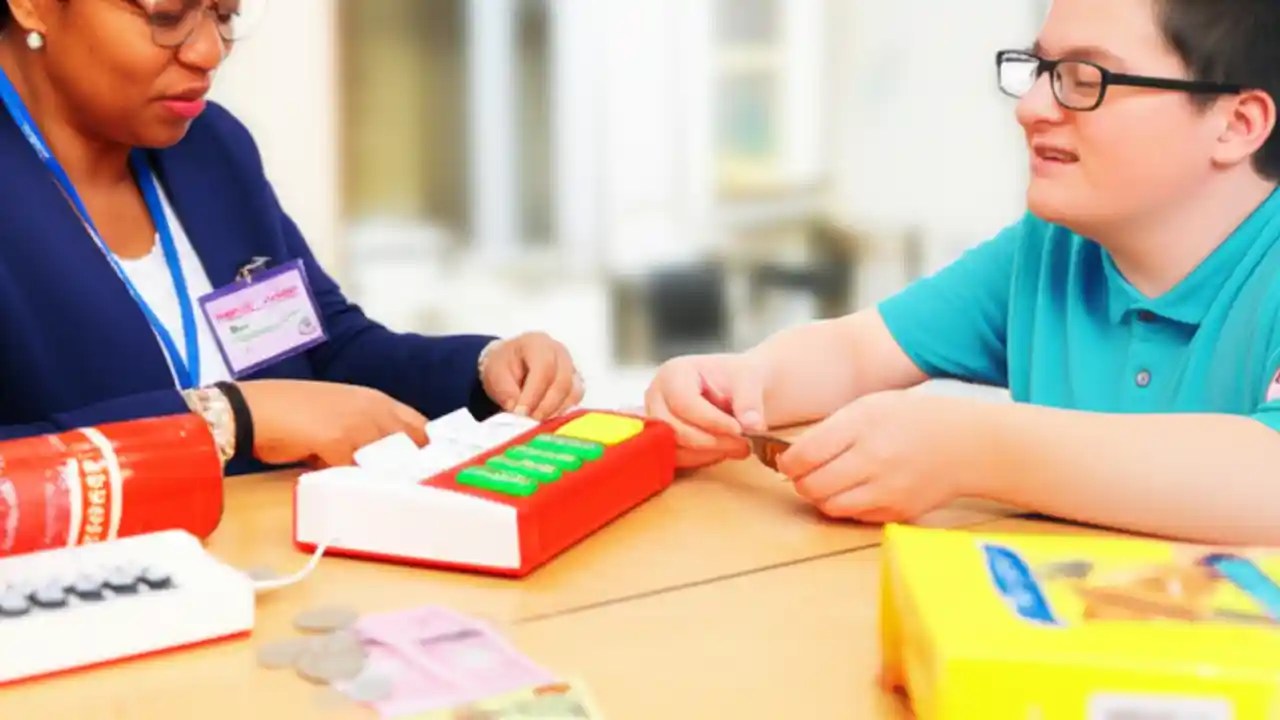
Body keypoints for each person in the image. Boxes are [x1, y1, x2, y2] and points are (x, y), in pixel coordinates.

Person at [646, 0, 1280, 545]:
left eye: (1085, 78)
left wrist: (976, 450)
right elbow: (863, 347)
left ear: (1237, 124)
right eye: (1039, 70)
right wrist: (740, 384)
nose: (1031, 107)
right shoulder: (1051, 253)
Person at [0, 0, 584, 475]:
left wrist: (483, 371)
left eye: (224, 15)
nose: (207, 52)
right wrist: (229, 418)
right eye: (168, 17)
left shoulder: (210, 149)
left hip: (281, 572)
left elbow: (325, 352)